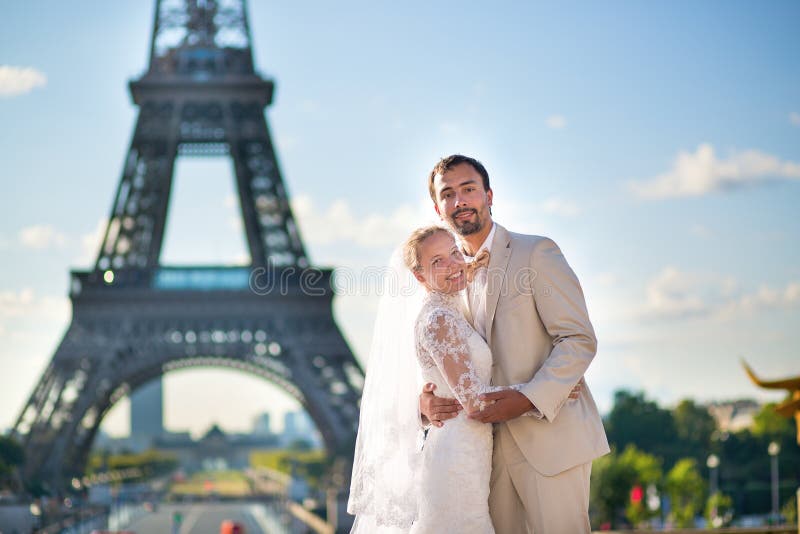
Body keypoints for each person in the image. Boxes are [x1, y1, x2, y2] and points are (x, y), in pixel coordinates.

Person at [419, 154, 609, 533]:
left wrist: (530, 397)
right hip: (483, 457)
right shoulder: (441, 281)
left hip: (550, 441)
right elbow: (434, 358)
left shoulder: (536, 252)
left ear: (489, 196)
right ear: (438, 209)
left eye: (468, 189)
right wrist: (423, 404)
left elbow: (578, 339)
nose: (460, 201)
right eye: (448, 194)